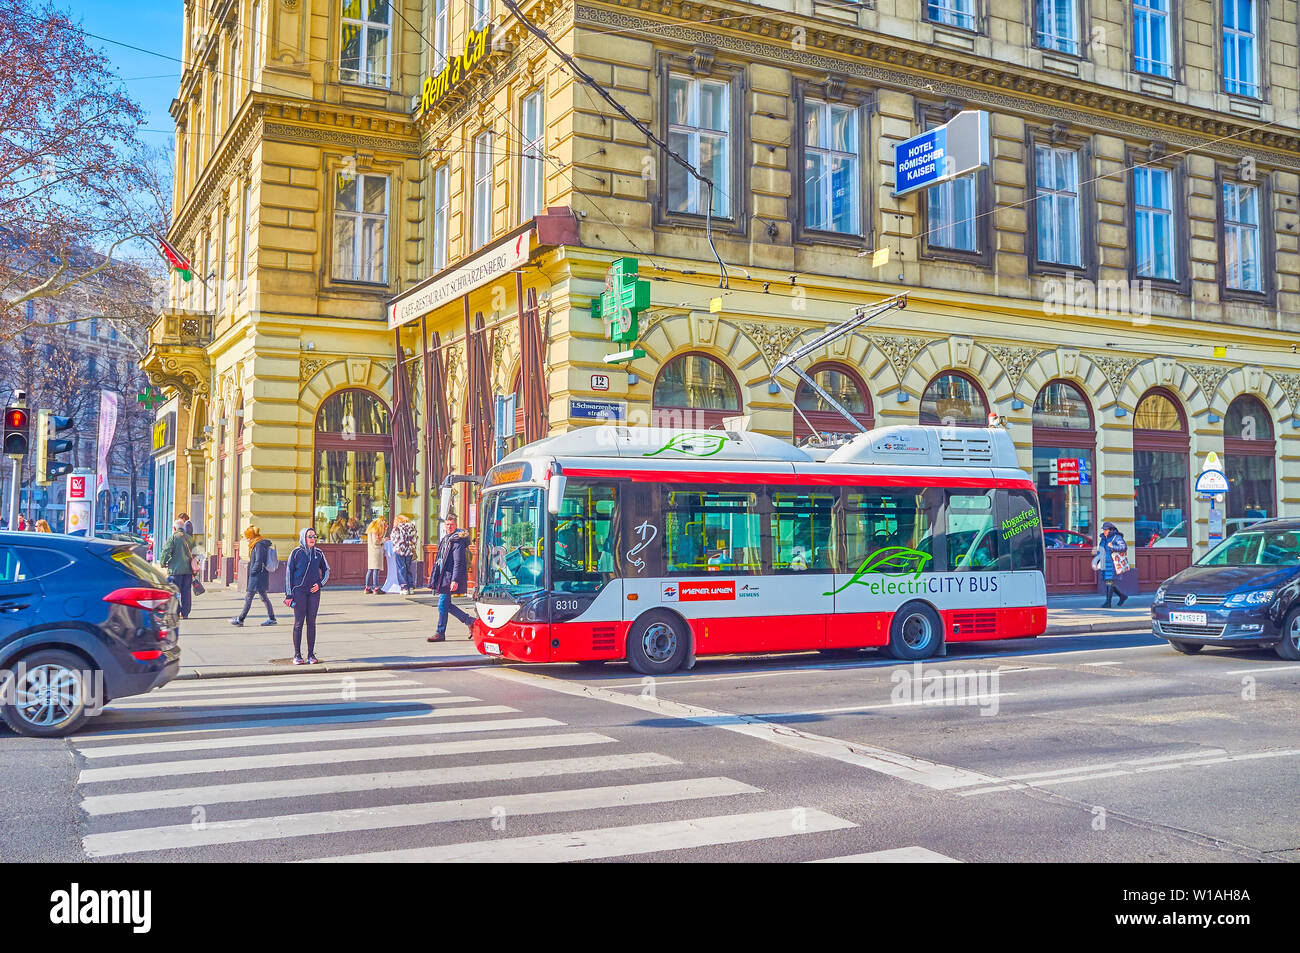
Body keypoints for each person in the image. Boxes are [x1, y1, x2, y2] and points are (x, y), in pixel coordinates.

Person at [284, 527, 330, 664]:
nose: (312, 539)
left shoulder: (319, 553)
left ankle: (311, 655)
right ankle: (297, 655)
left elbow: (327, 570)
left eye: (314, 536)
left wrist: (320, 584)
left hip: (314, 592)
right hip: (299, 592)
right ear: (304, 537)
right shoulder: (296, 553)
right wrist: (289, 594)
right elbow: (289, 573)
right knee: (298, 623)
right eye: (310, 536)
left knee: (311, 623)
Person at [427, 513, 475, 642]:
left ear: (456, 525)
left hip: (449, 577)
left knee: (442, 605)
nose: (449, 526)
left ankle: (440, 632)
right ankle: (471, 622)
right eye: (447, 524)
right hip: (444, 576)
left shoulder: (457, 541)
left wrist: (454, 580)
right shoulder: (447, 538)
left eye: (451, 524)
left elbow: (458, 562)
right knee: (445, 605)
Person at [231, 526, 277, 627]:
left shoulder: (258, 545)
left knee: (249, 597)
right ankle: (272, 618)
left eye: (247, 537)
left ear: (251, 536)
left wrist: (252, 572)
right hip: (261, 575)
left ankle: (241, 619)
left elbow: (259, 561)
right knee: (263, 597)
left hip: (257, 576)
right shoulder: (258, 544)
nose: (247, 540)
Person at [160, 518, 195, 620]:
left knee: (174, 592)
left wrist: (163, 563)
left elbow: (166, 552)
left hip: (175, 570)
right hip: (188, 570)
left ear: (174, 528)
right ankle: (185, 613)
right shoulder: (190, 538)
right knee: (186, 592)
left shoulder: (173, 538)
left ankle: (176, 611)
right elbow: (195, 553)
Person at [1095, 522, 1129, 608]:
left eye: (1106, 530)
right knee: (1108, 582)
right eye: (1104, 530)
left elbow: (1124, 547)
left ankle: (1108, 602)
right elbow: (1100, 550)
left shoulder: (1116, 537)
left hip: (1113, 563)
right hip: (1104, 563)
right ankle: (1122, 596)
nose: (1104, 531)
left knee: (1109, 582)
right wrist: (1096, 560)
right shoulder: (1103, 538)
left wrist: (1112, 546)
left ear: (1111, 530)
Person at [391, 514, 418, 595]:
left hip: (400, 550)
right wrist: (412, 547)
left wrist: (397, 545)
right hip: (409, 550)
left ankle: (404, 587)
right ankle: (411, 587)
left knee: (401, 568)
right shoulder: (412, 527)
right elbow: (415, 538)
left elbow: (393, 538)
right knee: (408, 568)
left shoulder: (397, 528)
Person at [364, 516, 388, 593]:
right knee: (376, 570)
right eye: (384, 523)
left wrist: (385, 531)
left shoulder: (371, 529)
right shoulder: (375, 530)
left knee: (370, 570)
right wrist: (384, 540)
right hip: (376, 552)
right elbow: (376, 541)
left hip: (372, 551)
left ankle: (367, 588)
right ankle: (376, 588)